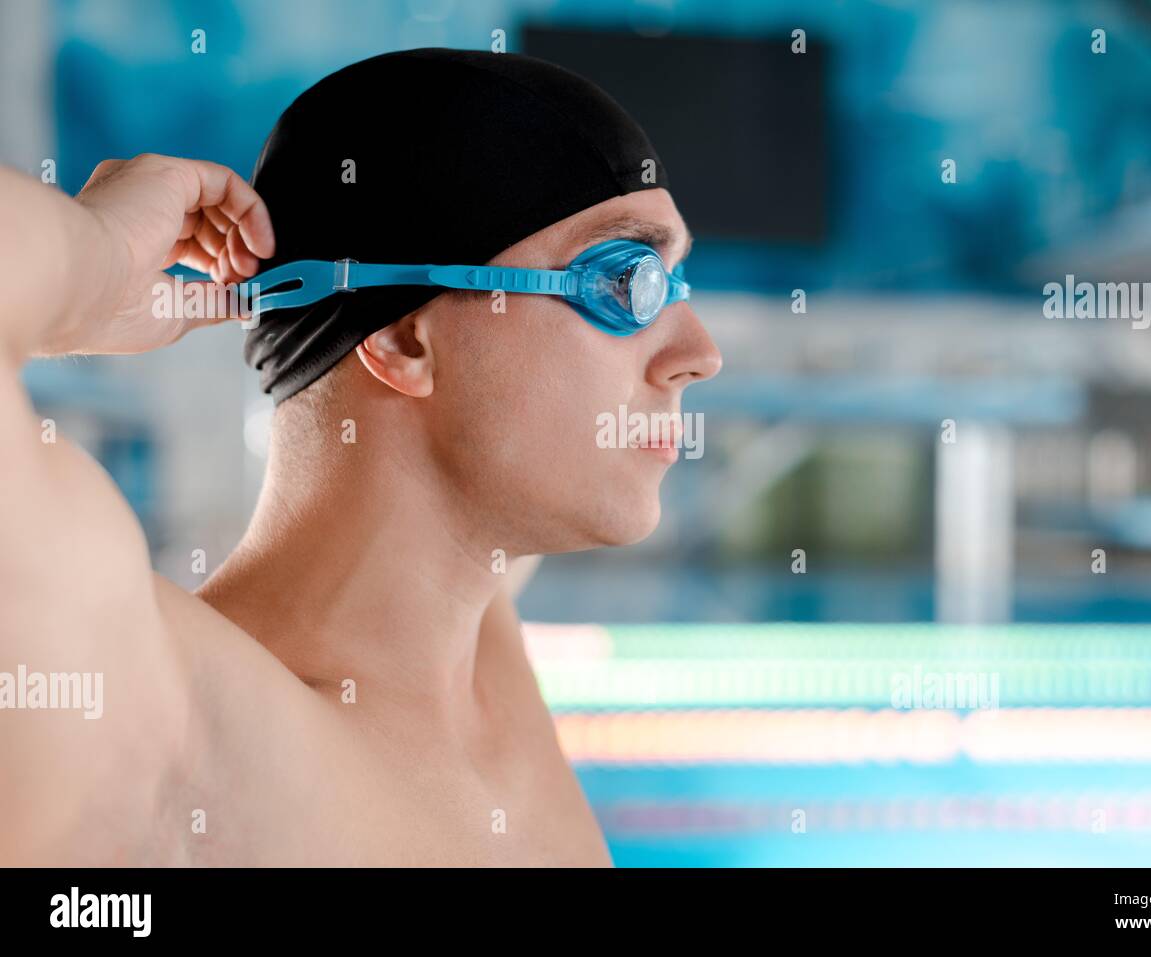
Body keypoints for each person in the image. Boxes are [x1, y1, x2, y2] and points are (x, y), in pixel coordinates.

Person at [0, 49, 720, 866]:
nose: (700, 354)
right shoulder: (165, 717)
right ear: (405, 340)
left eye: (675, 283)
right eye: (626, 282)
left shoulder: (474, 635)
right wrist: (97, 258)